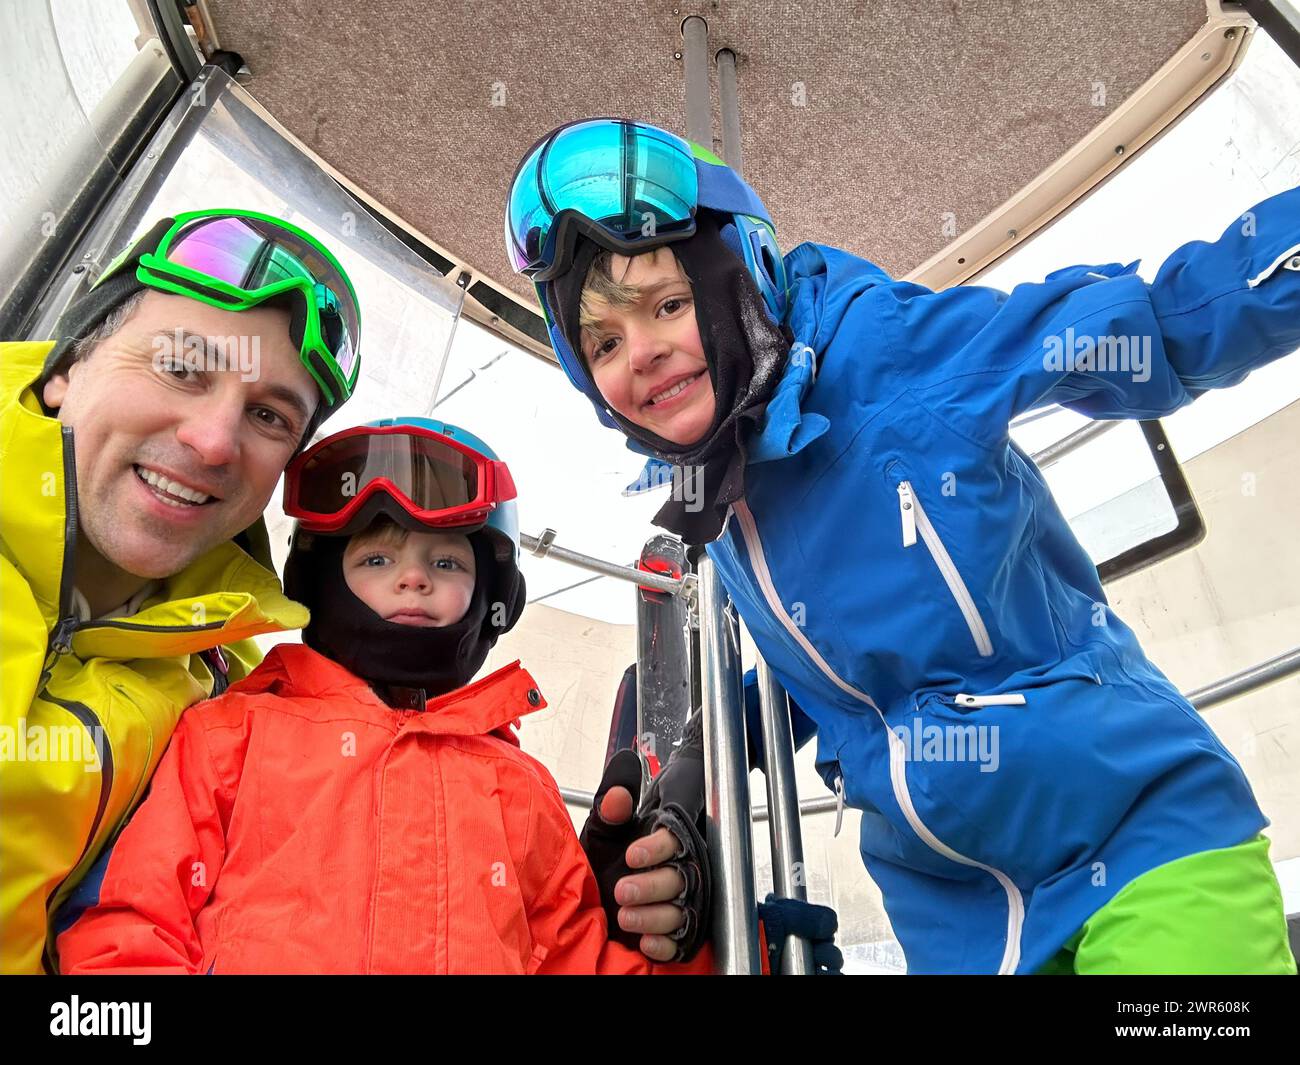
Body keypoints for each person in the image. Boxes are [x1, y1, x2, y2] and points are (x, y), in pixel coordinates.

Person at [505, 117, 1299, 974]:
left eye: (669, 304)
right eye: (606, 344)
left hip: (1138, 836)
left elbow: (1140, 324)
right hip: (963, 925)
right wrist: (701, 769)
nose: (646, 355)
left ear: (742, 279)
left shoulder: (890, 356)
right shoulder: (723, 505)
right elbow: (836, 670)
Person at [55, 418, 725, 974]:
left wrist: (698, 935)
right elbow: (130, 928)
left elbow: (584, 963)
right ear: (318, 584)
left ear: (493, 601)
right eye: (376, 559)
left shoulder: (520, 787)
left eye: (446, 562)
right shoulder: (233, 733)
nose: (413, 579)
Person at [0, 209, 361, 974]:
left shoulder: (230, 707)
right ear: (67, 369)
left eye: (268, 415)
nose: (214, 440)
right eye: (182, 369)